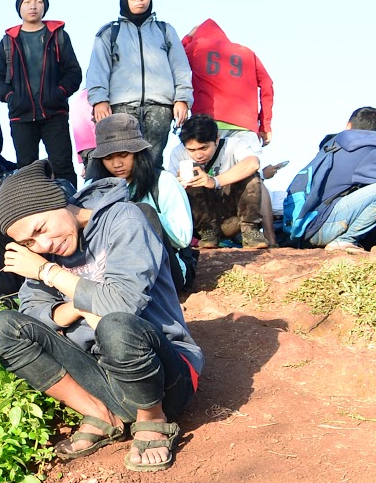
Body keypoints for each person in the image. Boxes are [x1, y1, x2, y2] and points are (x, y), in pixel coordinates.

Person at [0, 161, 202, 472]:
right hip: (103, 376)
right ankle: (99, 413)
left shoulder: (124, 219)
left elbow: (122, 305)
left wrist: (50, 273)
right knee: (3, 328)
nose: (43, 245)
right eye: (28, 244)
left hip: (164, 375)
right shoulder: (45, 253)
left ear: (57, 201)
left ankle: (152, 419)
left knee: (115, 325)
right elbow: (32, 312)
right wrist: (80, 304)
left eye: (41, 229)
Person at [84, 0, 193, 162]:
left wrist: (182, 99)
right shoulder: (109, 33)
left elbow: (181, 68)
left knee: (153, 164)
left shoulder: (165, 30)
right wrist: (99, 100)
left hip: (160, 109)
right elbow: (97, 69)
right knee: (123, 163)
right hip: (120, 108)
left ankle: (152, 193)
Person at [280, 107, 376, 253]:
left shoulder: (331, 146)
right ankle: (345, 240)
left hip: (301, 228)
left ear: (348, 125)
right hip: (319, 229)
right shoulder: (366, 152)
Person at [84, 113, 195, 289]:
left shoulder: (164, 181)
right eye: (108, 158)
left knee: (141, 211)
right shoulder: (92, 187)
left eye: (123, 154)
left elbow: (182, 238)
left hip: (164, 272)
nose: (117, 164)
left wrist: (136, 213)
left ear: (138, 153)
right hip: (110, 271)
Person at [0, 0, 84, 185]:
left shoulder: (58, 36)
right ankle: (33, 211)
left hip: (54, 113)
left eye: (38, 1)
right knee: (27, 170)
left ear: (45, 7)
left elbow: (74, 72)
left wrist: (59, 93)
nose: (33, 6)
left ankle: (70, 209)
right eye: (27, 2)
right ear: (19, 8)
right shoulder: (8, 41)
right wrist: (11, 98)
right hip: (21, 115)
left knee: (62, 166)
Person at [167, 115, 266, 249]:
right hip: (199, 222)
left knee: (251, 177)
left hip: (233, 217)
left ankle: (250, 230)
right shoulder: (178, 153)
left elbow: (253, 164)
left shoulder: (235, 145)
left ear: (217, 139)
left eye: (204, 148)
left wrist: (215, 181)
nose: (198, 155)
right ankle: (208, 232)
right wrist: (178, 186)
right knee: (190, 181)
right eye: (191, 150)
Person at [181, 18, 275, 144]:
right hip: (245, 127)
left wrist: (188, 38)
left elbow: (174, 61)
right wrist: (265, 125)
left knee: (204, 162)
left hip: (208, 125)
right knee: (249, 163)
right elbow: (267, 84)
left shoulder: (196, 47)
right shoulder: (247, 52)